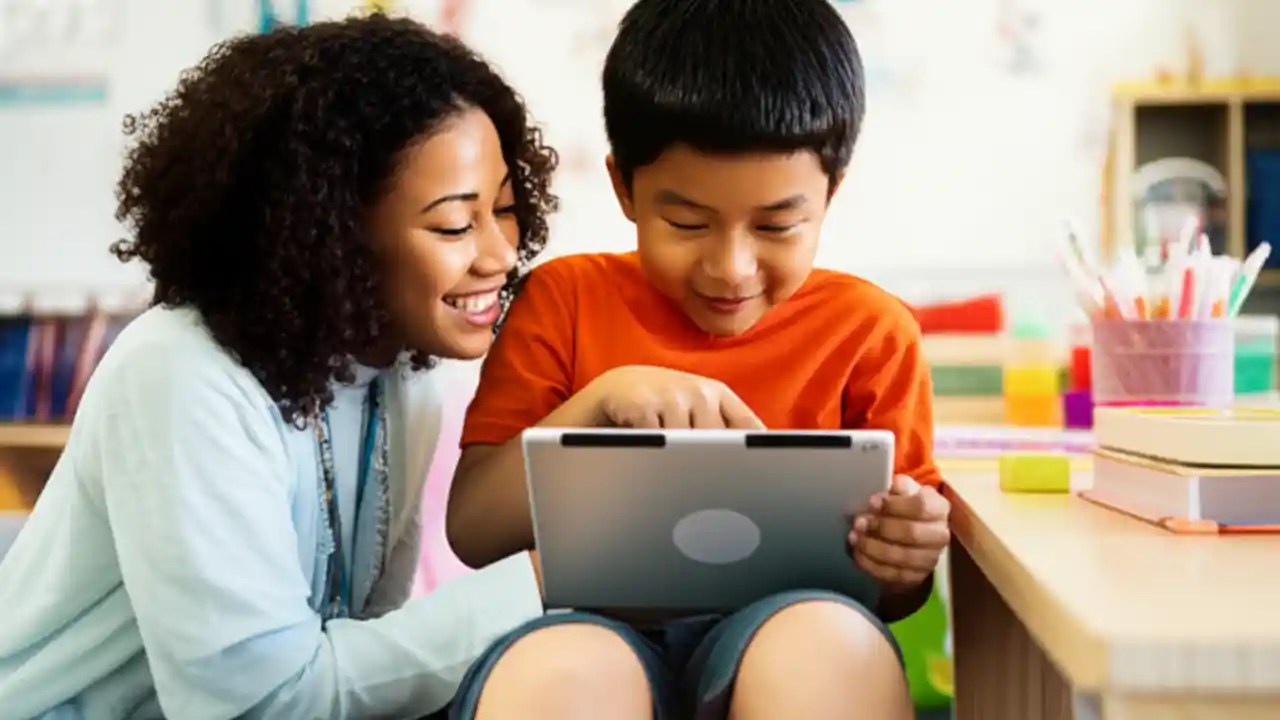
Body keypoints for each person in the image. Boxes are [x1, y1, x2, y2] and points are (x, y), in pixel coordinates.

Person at [0, 15, 558, 719]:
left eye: (505, 210)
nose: (501, 255)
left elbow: (361, 650)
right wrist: (539, 584)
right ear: (332, 229)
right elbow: (254, 704)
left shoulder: (406, 381)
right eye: (453, 224)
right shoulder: (182, 376)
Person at [445, 0, 951, 718]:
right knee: (563, 671)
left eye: (778, 225)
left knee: (829, 648)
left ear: (830, 194)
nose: (731, 268)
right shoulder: (563, 300)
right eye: (686, 223)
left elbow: (897, 596)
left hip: (795, 629)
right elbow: (471, 532)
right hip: (583, 630)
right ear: (625, 188)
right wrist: (598, 402)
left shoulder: (871, 333)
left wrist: (907, 554)